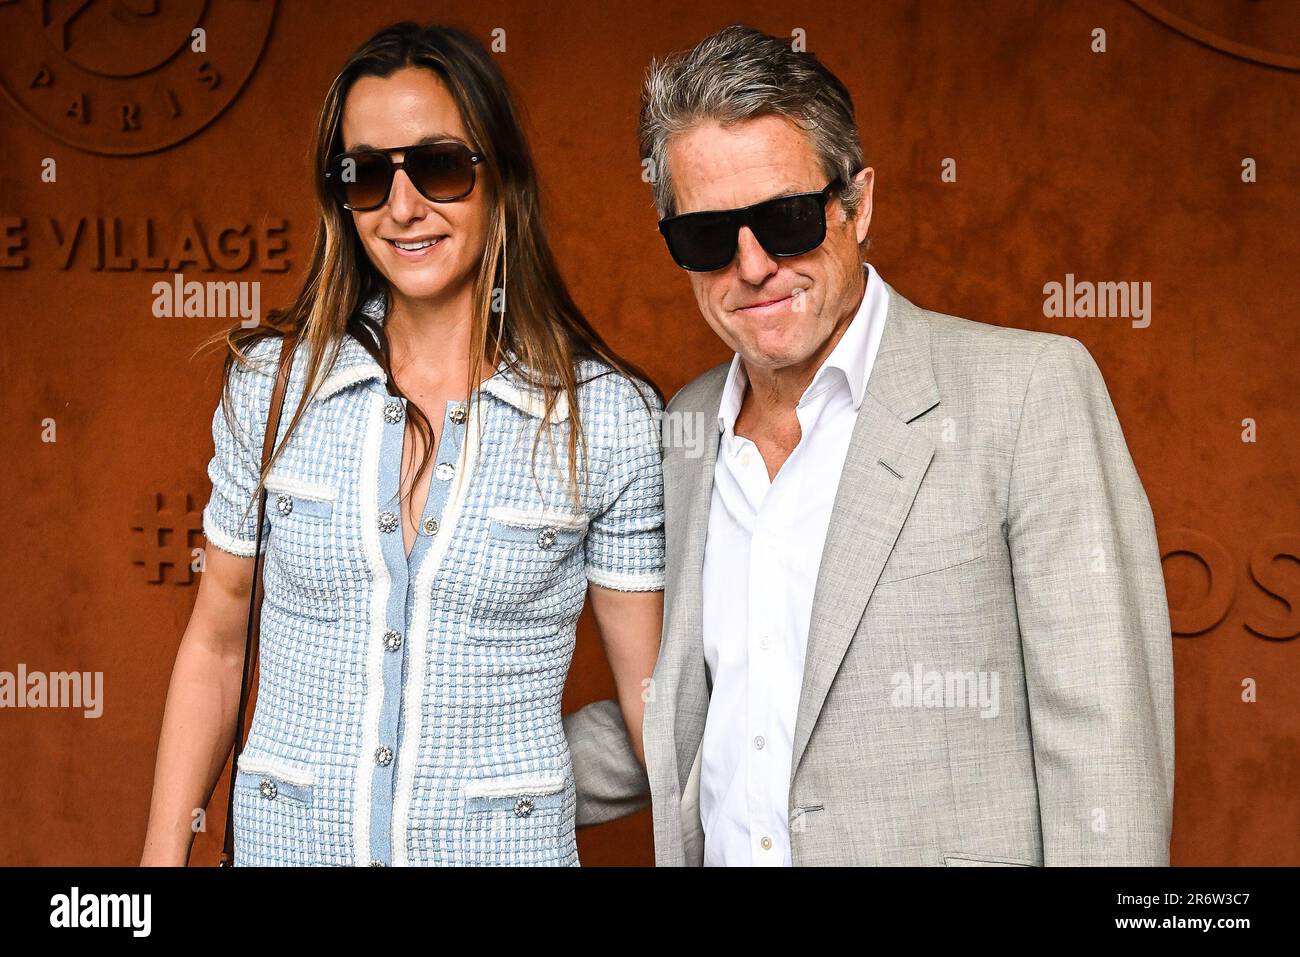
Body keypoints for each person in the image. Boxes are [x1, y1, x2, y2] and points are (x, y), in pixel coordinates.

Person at [568, 24, 1174, 866]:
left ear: (857, 206)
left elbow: (1106, 743)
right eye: (707, 235)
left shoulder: (1029, 392)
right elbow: (684, 710)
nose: (751, 266)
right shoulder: (683, 429)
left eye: (785, 220)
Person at [141, 22, 664, 867]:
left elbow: (654, 706)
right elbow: (217, 638)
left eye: (440, 166)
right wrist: (157, 865)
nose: (403, 206)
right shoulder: (273, 388)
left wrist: (519, 791)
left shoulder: (606, 416)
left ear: (502, 178)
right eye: (366, 174)